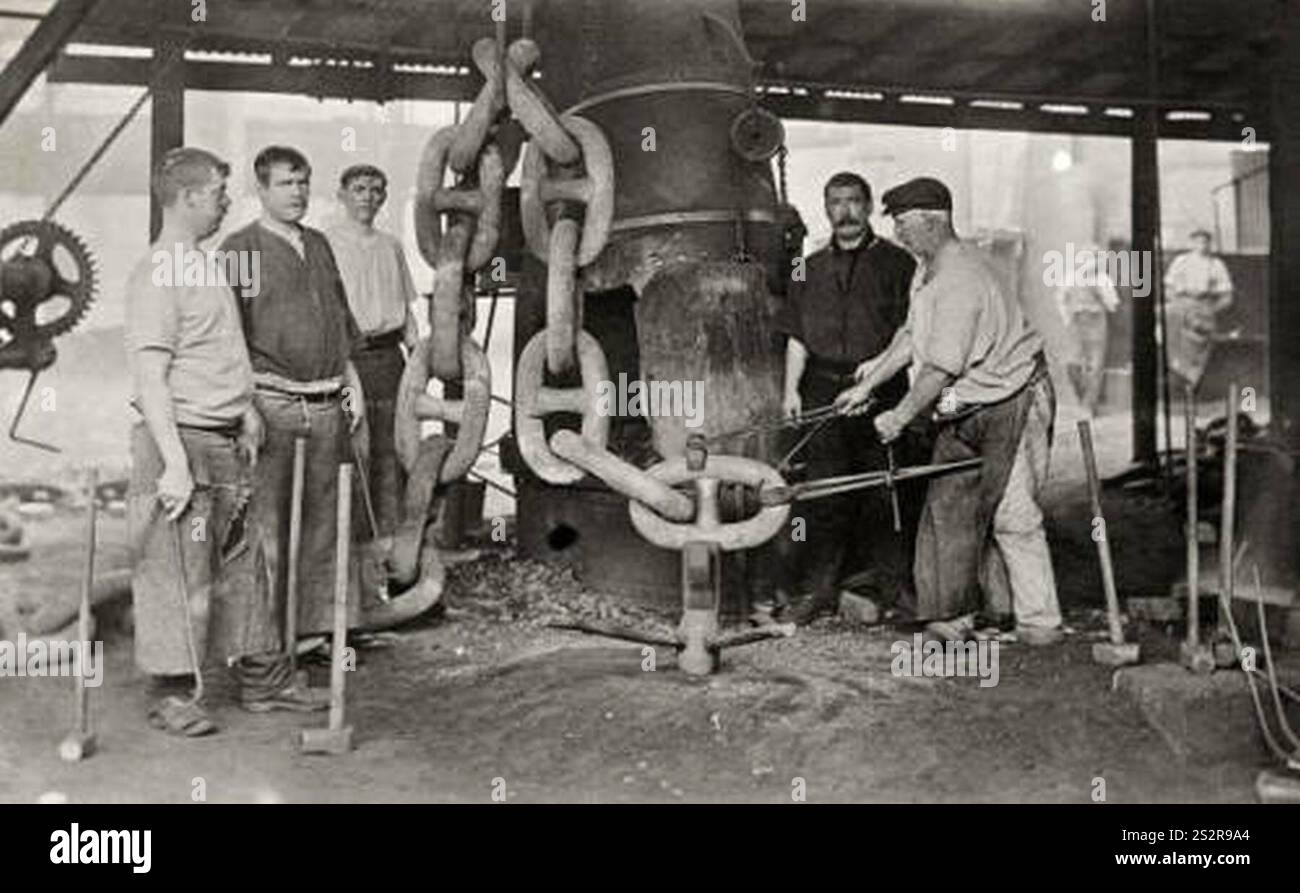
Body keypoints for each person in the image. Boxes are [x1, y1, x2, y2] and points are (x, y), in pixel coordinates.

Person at [126, 147, 324, 736]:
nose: (225, 201)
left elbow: (216, 352)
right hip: (180, 441)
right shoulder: (160, 272)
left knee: (242, 563)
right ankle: (173, 694)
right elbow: (150, 378)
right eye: (217, 191)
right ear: (187, 198)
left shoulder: (204, 264)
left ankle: (264, 681)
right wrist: (174, 466)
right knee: (176, 570)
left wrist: (243, 412)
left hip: (224, 437)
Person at [835, 176, 1063, 645]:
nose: (898, 233)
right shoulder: (928, 269)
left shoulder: (962, 278)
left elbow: (938, 368)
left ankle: (1039, 622)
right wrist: (871, 380)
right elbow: (911, 336)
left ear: (934, 221)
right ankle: (957, 616)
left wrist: (898, 416)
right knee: (948, 506)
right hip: (966, 400)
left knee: (1011, 513)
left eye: (904, 223)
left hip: (1013, 393)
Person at [220, 146, 366, 659]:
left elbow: (340, 319)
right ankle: (267, 643)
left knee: (325, 524)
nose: (298, 192)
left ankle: (315, 634)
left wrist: (352, 380)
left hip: (327, 403)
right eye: (285, 184)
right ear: (260, 190)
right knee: (269, 529)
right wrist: (245, 408)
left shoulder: (320, 244)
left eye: (303, 182)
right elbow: (229, 337)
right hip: (273, 404)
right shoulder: (241, 249)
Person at [770, 171, 917, 625]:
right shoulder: (807, 268)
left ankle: (896, 589)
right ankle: (820, 591)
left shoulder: (900, 264)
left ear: (869, 206)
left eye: (854, 201)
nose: (845, 211)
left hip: (881, 389)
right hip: (821, 390)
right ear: (826, 208)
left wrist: (874, 378)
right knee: (824, 495)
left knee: (885, 489)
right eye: (836, 202)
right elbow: (797, 334)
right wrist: (791, 390)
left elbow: (910, 333)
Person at [324, 164, 421, 540]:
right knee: (353, 443)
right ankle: (352, 539)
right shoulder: (326, 243)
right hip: (349, 361)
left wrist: (417, 356)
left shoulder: (390, 245)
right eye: (359, 189)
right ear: (343, 195)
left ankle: (391, 538)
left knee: (393, 446)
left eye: (376, 190)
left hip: (390, 360)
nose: (368, 197)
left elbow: (407, 309)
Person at [1163, 228, 1234, 388]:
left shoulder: (1216, 265)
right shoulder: (1180, 261)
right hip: (1180, 306)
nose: (1201, 244)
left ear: (1210, 244)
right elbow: (1168, 290)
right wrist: (1177, 303)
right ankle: (1175, 370)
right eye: (1197, 241)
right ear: (1191, 243)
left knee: (1198, 331)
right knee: (1169, 321)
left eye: (1205, 241)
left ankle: (1191, 377)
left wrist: (1210, 309)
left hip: (1204, 307)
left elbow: (1227, 298)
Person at [1057, 245, 1120, 416]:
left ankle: (1088, 405)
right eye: (1085, 259)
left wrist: (1101, 294)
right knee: (1071, 363)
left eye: (1093, 259)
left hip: (1096, 321)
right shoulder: (1070, 278)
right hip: (1076, 322)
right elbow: (1061, 299)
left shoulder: (1103, 280)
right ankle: (1081, 397)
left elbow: (1113, 306)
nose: (1088, 263)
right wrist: (1067, 319)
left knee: (1095, 365)